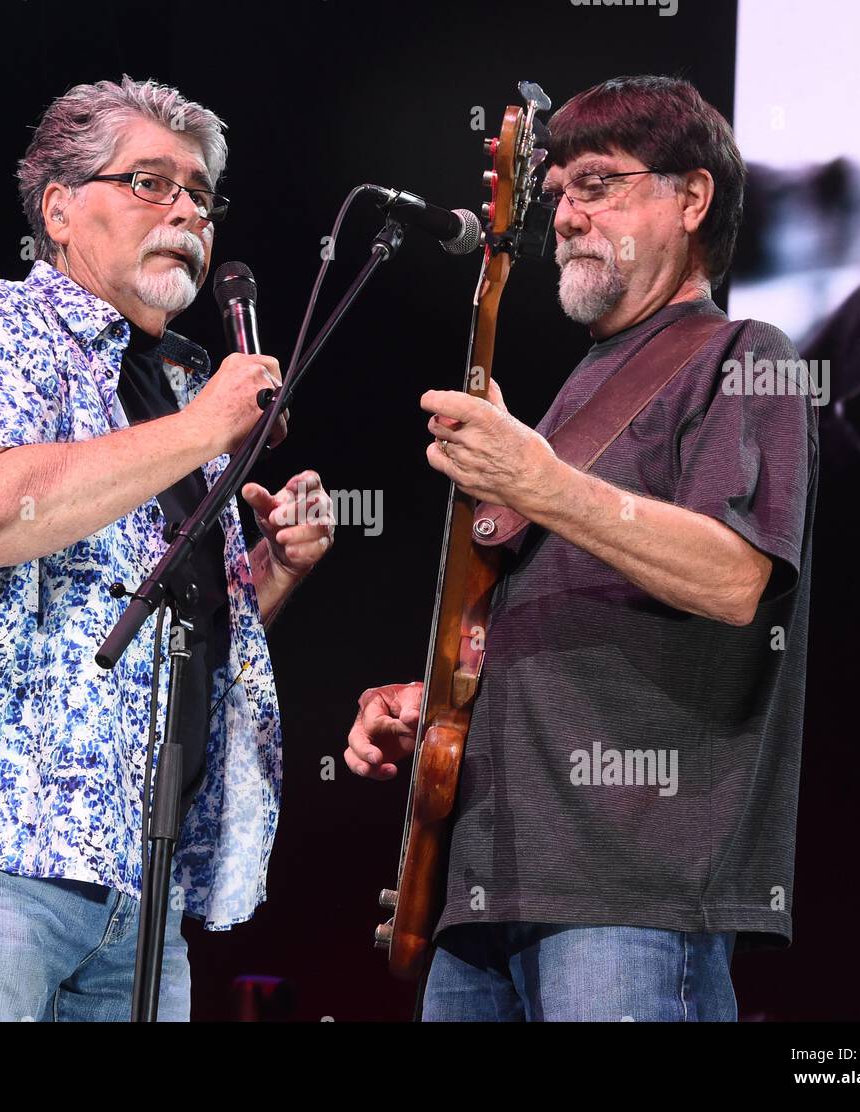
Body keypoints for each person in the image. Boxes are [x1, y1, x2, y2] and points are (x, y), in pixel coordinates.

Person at [0, 75, 334, 1021]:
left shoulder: (177, 391)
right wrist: (208, 426)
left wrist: (268, 572)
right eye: (150, 182)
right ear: (58, 209)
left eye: (201, 194)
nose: (185, 210)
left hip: (137, 884)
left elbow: (151, 620)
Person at [346, 76, 818, 1022]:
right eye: (558, 190)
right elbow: (549, 607)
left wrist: (541, 483)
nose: (565, 214)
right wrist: (431, 698)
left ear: (691, 198)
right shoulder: (577, 393)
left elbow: (735, 578)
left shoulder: (747, 356)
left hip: (628, 890)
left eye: (598, 183)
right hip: (484, 892)